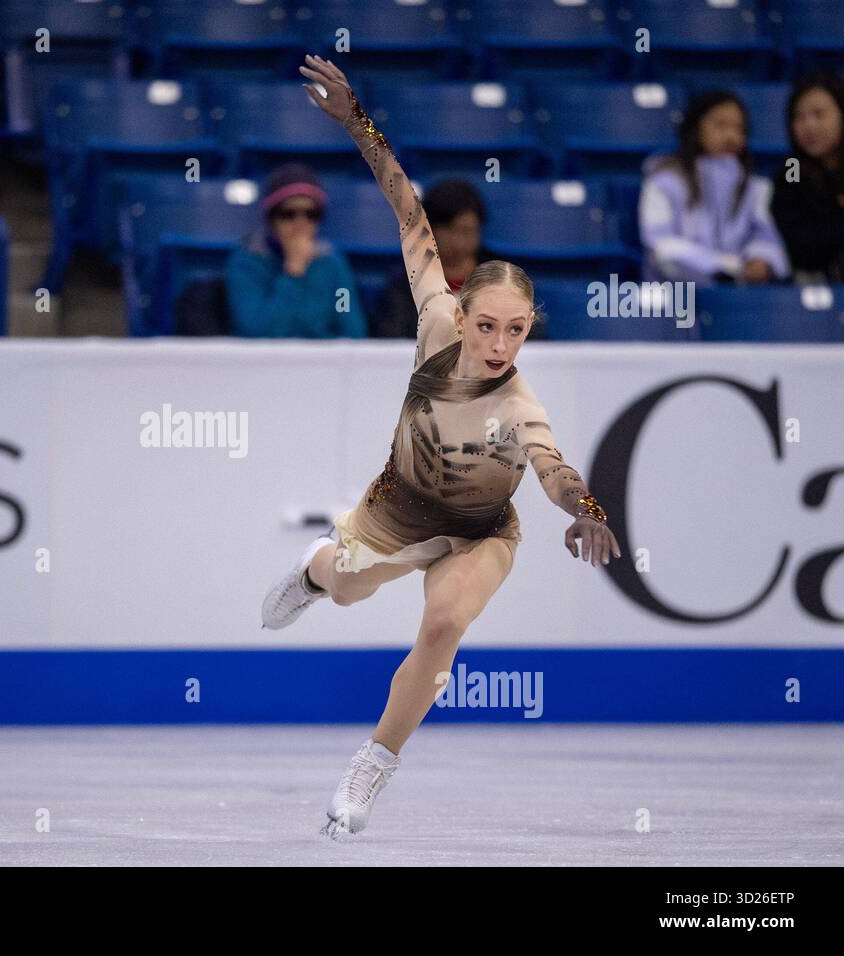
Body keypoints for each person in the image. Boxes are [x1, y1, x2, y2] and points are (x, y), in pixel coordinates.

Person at [261, 55, 620, 839]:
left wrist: (586, 507)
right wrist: (360, 123)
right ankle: (313, 572)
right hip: (397, 507)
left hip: (482, 531)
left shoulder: (520, 404)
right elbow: (408, 211)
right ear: (462, 315)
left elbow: (554, 473)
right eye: (487, 324)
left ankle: (374, 764)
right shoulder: (433, 320)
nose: (498, 342)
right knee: (348, 586)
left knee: (442, 626)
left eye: (515, 330)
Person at [639, 90, 789, 284]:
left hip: (737, 297)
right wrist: (724, 265)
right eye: (720, 125)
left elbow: (765, 236)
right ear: (695, 129)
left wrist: (761, 260)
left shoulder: (757, 188)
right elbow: (659, 245)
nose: (731, 136)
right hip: (675, 297)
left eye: (739, 129)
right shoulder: (662, 182)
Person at [225, 163, 367, 338]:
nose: (300, 223)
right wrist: (292, 274)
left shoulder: (332, 263)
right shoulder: (246, 262)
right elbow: (257, 333)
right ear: (271, 219)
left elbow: (353, 333)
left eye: (311, 214)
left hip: (321, 363)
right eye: (288, 214)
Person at [371, 178, 492, 338]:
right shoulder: (403, 283)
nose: (458, 242)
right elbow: (392, 338)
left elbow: (528, 338)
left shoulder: (502, 278)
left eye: (467, 232)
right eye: (450, 232)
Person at [771, 71, 844, 284]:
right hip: (815, 280)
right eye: (799, 117)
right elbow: (801, 244)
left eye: (819, 114)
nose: (808, 126)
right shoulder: (792, 168)